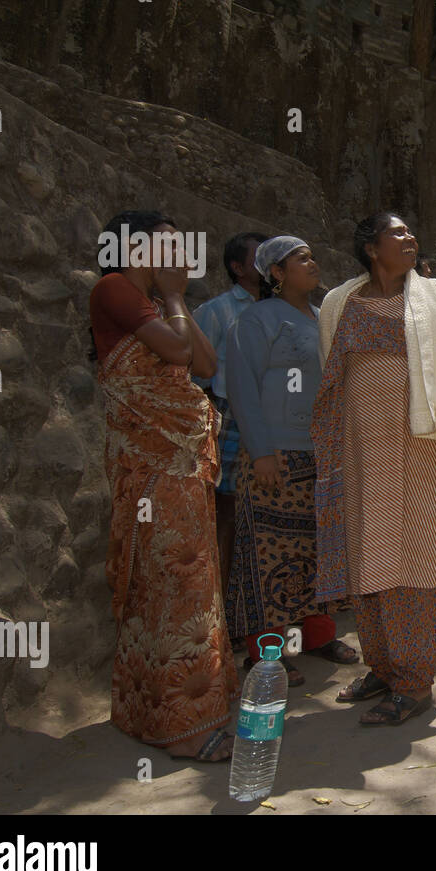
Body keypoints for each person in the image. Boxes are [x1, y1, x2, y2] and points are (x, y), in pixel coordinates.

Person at [313, 211, 436, 725]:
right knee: (369, 556)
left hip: (416, 450)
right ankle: (383, 664)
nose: (410, 238)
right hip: (360, 453)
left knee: (414, 560)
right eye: (397, 233)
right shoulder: (340, 302)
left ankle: (415, 682)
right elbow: (330, 370)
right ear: (371, 249)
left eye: (410, 232)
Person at [88, 210, 238, 761]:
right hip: (153, 470)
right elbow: (177, 353)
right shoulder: (113, 288)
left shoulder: (156, 304)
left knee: (189, 583)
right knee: (175, 585)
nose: (181, 256)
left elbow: (204, 362)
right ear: (134, 248)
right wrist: (176, 300)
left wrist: (176, 302)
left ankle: (158, 712)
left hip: (181, 468)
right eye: (169, 245)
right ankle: (185, 729)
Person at [224, 236, 359, 688]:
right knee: (269, 555)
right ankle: (267, 649)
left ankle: (317, 635)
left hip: (320, 453)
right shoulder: (257, 319)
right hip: (275, 454)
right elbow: (242, 386)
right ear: (276, 273)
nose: (312, 262)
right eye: (301, 259)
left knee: (318, 551)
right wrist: (260, 450)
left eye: (312, 255)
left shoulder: (324, 320)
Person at [192, 232, 268, 621]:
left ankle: (262, 616)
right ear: (238, 268)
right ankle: (222, 616)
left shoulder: (287, 310)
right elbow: (195, 374)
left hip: (279, 422)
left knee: (270, 518)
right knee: (226, 515)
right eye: (259, 257)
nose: (269, 262)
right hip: (232, 419)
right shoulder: (217, 311)